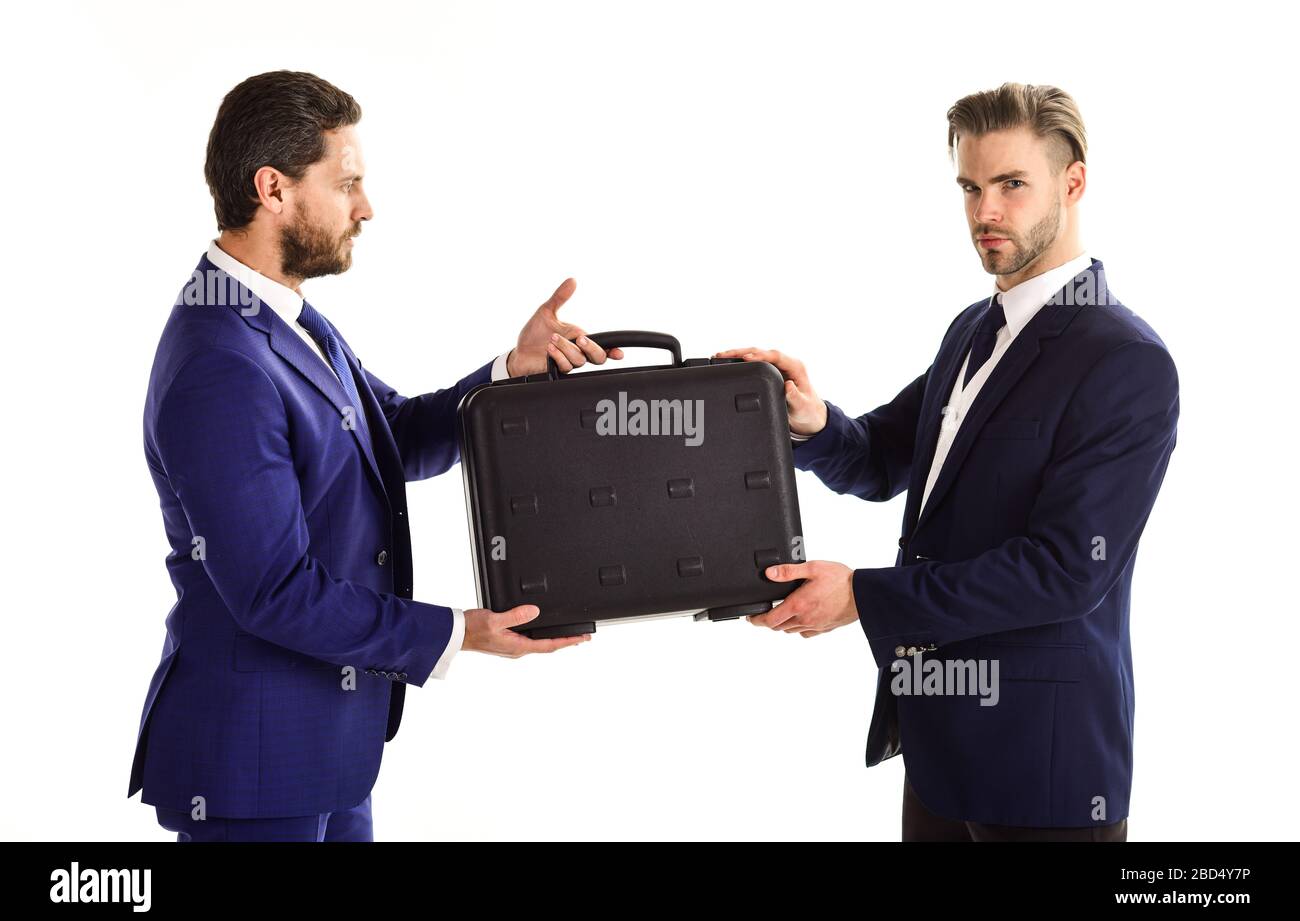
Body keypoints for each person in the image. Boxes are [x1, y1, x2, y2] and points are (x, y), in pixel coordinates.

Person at [129, 70, 620, 842]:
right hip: (251, 768)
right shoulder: (220, 361)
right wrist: (458, 634)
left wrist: (506, 379)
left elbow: (393, 438)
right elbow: (273, 591)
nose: (365, 206)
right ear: (273, 190)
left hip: (327, 748)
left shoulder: (286, 318)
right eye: (347, 182)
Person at [717, 82, 1179, 841]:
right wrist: (805, 420)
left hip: (1044, 766)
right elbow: (881, 459)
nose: (985, 213)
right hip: (937, 750)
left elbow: (1066, 571)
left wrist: (864, 598)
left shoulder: (1125, 361)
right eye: (970, 187)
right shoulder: (973, 329)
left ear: (1075, 182)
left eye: (1010, 185)